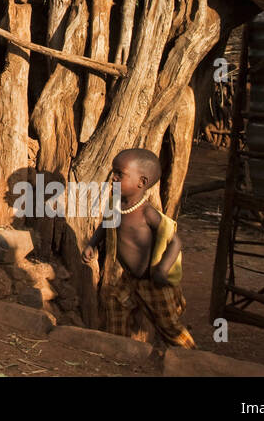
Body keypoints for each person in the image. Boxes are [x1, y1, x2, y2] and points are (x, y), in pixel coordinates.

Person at [83, 148, 196, 348]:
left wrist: (162, 270)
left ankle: (193, 358)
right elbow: (106, 225)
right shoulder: (115, 204)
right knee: (115, 305)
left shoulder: (147, 213)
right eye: (113, 172)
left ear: (141, 182)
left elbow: (175, 242)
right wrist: (92, 244)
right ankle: (119, 348)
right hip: (129, 279)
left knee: (169, 326)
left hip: (153, 283)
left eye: (120, 174)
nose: (113, 178)